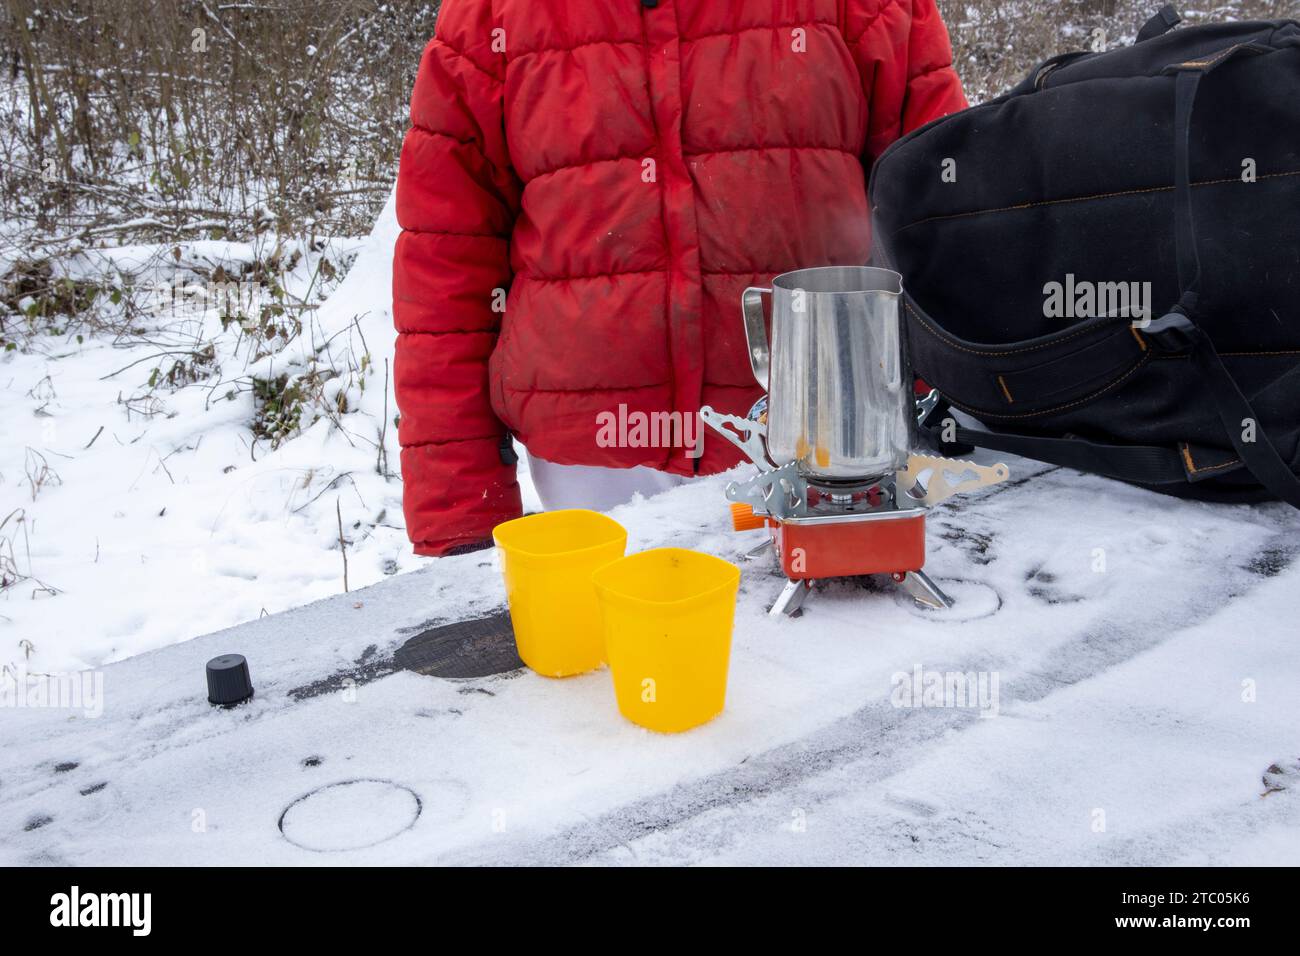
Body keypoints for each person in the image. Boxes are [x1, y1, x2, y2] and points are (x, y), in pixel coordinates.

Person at [393, 0, 966, 555]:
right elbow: (445, 266)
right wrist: (462, 514)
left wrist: (941, 423)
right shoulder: (491, 16)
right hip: (594, 484)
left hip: (827, 458)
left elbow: (944, 221)